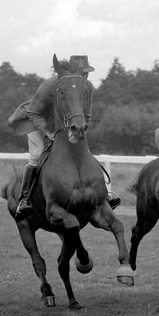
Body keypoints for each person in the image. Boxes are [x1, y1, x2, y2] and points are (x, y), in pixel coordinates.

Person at [8, 55, 120, 218]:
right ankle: (25, 199)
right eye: (83, 72)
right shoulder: (50, 84)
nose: (86, 76)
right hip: (34, 119)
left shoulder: (86, 86)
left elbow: (86, 114)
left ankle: (104, 194)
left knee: (83, 151)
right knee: (37, 155)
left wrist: (81, 132)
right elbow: (34, 113)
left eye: (87, 73)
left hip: (61, 122)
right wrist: (47, 132)